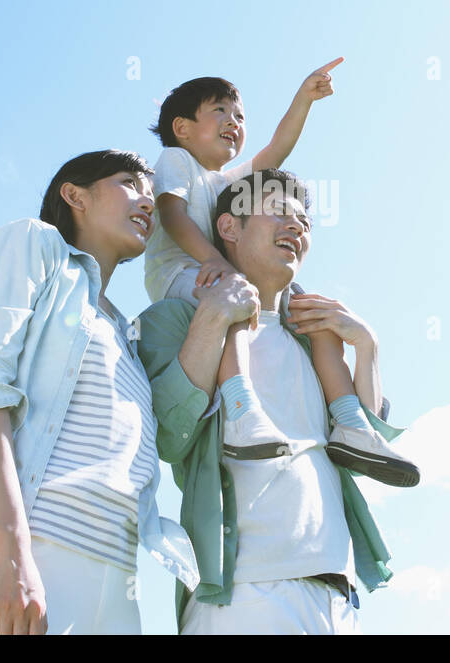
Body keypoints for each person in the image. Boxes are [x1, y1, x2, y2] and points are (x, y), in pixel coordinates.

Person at [0, 150, 198, 634]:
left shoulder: (125, 331)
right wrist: (10, 550)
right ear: (75, 195)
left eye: (151, 193)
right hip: (29, 552)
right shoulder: (36, 247)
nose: (147, 200)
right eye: (129, 183)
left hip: (117, 575)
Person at [135, 168, 407, 633]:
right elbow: (167, 439)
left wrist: (367, 345)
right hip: (242, 593)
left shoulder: (313, 337)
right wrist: (214, 317)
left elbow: (367, 444)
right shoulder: (174, 321)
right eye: (280, 212)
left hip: (338, 596)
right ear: (229, 227)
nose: (297, 227)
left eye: (304, 221)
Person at [142, 63, 415, 482]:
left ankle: (351, 424)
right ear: (181, 126)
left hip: (217, 277)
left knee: (313, 314)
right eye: (220, 111)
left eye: (240, 117)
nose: (234, 122)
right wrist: (212, 260)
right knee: (235, 299)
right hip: (182, 273)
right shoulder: (175, 161)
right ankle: (239, 410)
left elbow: (276, 150)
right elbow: (172, 215)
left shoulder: (223, 183)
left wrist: (304, 98)